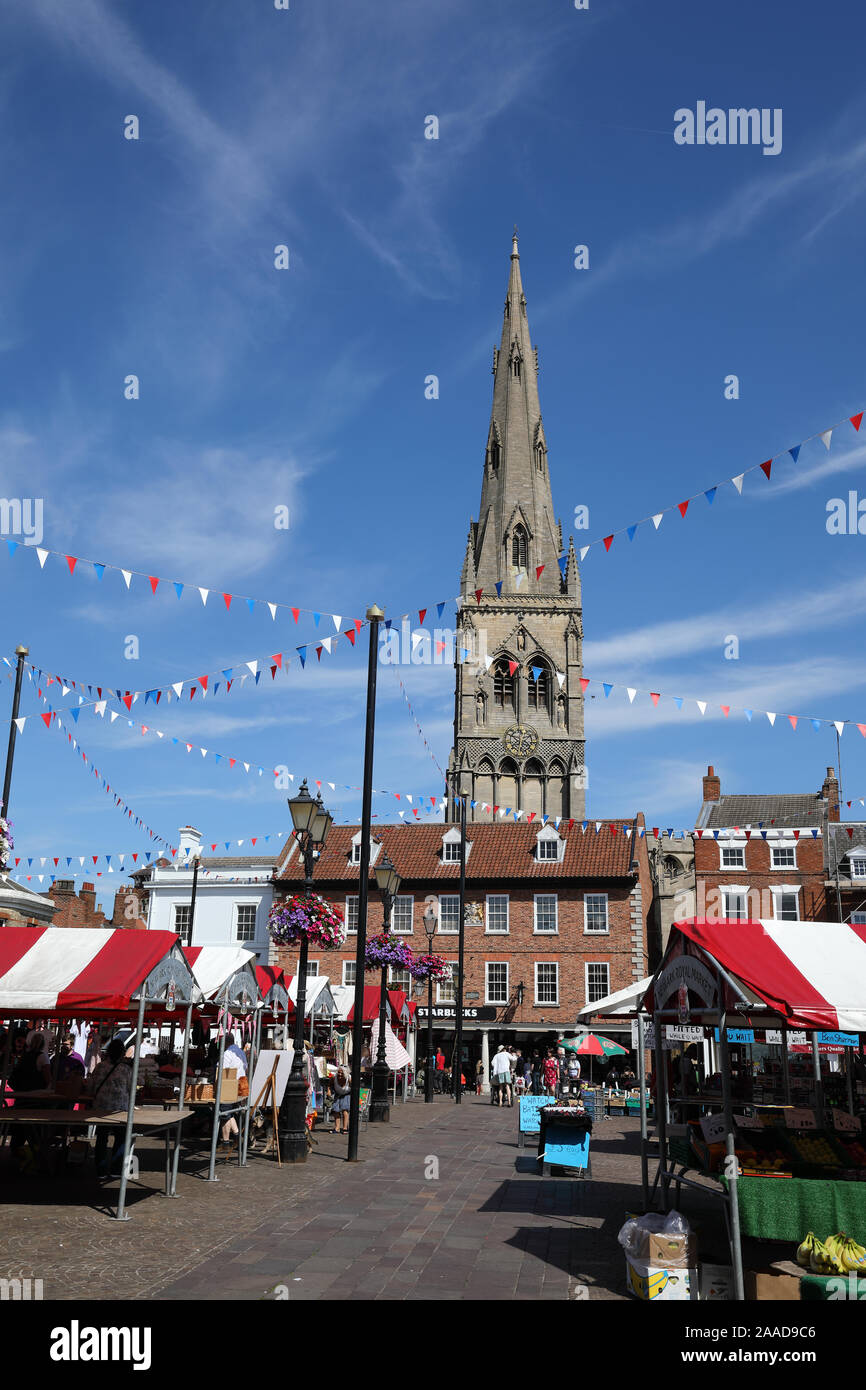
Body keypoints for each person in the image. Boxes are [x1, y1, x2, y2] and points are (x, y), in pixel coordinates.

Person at [87, 1038, 133, 1177]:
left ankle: (100, 1169)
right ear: (122, 1053)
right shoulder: (126, 1069)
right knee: (121, 1138)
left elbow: (90, 1086)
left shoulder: (100, 1067)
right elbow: (131, 1089)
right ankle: (115, 1169)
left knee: (102, 1137)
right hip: (120, 1109)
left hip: (101, 1108)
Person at [331, 1067, 351, 1133]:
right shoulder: (334, 1077)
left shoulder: (349, 1078)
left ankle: (345, 1128)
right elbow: (330, 1085)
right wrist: (329, 1091)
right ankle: (337, 1128)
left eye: (342, 1073)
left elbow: (354, 1087)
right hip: (337, 1094)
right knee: (335, 1110)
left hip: (346, 1094)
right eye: (339, 1073)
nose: (340, 1074)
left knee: (345, 1110)